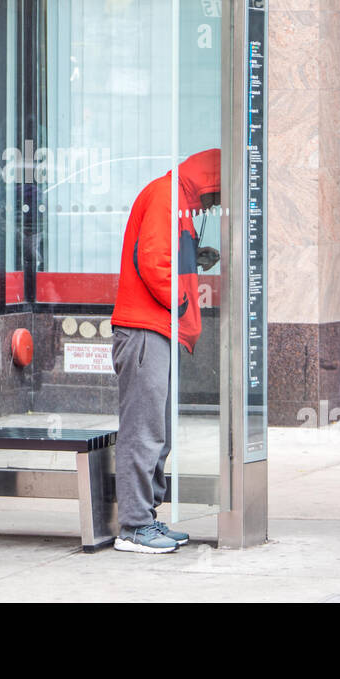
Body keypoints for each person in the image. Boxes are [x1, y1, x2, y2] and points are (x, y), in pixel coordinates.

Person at [109, 149, 221, 554]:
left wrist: (194, 259)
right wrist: (183, 303)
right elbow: (153, 262)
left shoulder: (180, 201)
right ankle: (134, 526)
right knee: (143, 431)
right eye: (217, 196)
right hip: (146, 329)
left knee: (158, 432)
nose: (216, 205)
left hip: (157, 329)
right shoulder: (166, 195)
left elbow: (161, 256)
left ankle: (146, 518)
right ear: (209, 182)